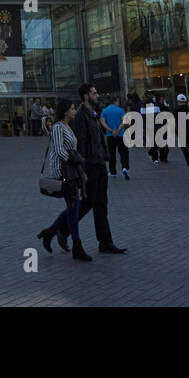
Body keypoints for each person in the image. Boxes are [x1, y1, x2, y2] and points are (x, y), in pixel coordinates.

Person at [35, 98, 91, 261]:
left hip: (72, 171)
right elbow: (60, 151)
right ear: (66, 111)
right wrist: (76, 162)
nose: (74, 111)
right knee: (73, 207)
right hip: (64, 172)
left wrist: (79, 169)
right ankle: (76, 245)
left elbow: (72, 149)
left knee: (73, 207)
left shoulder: (68, 126)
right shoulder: (58, 127)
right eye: (72, 109)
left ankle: (50, 232)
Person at [73, 84, 125, 254]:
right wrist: (83, 169)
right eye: (94, 93)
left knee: (101, 204)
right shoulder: (81, 115)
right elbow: (80, 143)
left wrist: (105, 156)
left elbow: (99, 138)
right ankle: (61, 229)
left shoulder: (94, 114)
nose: (98, 95)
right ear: (86, 96)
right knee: (89, 203)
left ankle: (105, 242)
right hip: (90, 164)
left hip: (100, 163)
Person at [101, 96, 130, 179]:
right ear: (115, 101)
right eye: (118, 101)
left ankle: (113, 172)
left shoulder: (104, 111)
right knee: (124, 152)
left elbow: (103, 122)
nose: (119, 103)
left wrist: (111, 130)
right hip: (120, 135)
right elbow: (124, 121)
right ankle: (124, 168)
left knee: (111, 154)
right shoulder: (120, 110)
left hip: (110, 136)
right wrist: (118, 130)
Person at [141, 95, 162, 164]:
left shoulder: (144, 105)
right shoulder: (155, 105)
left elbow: (143, 117)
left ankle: (153, 155)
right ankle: (154, 158)